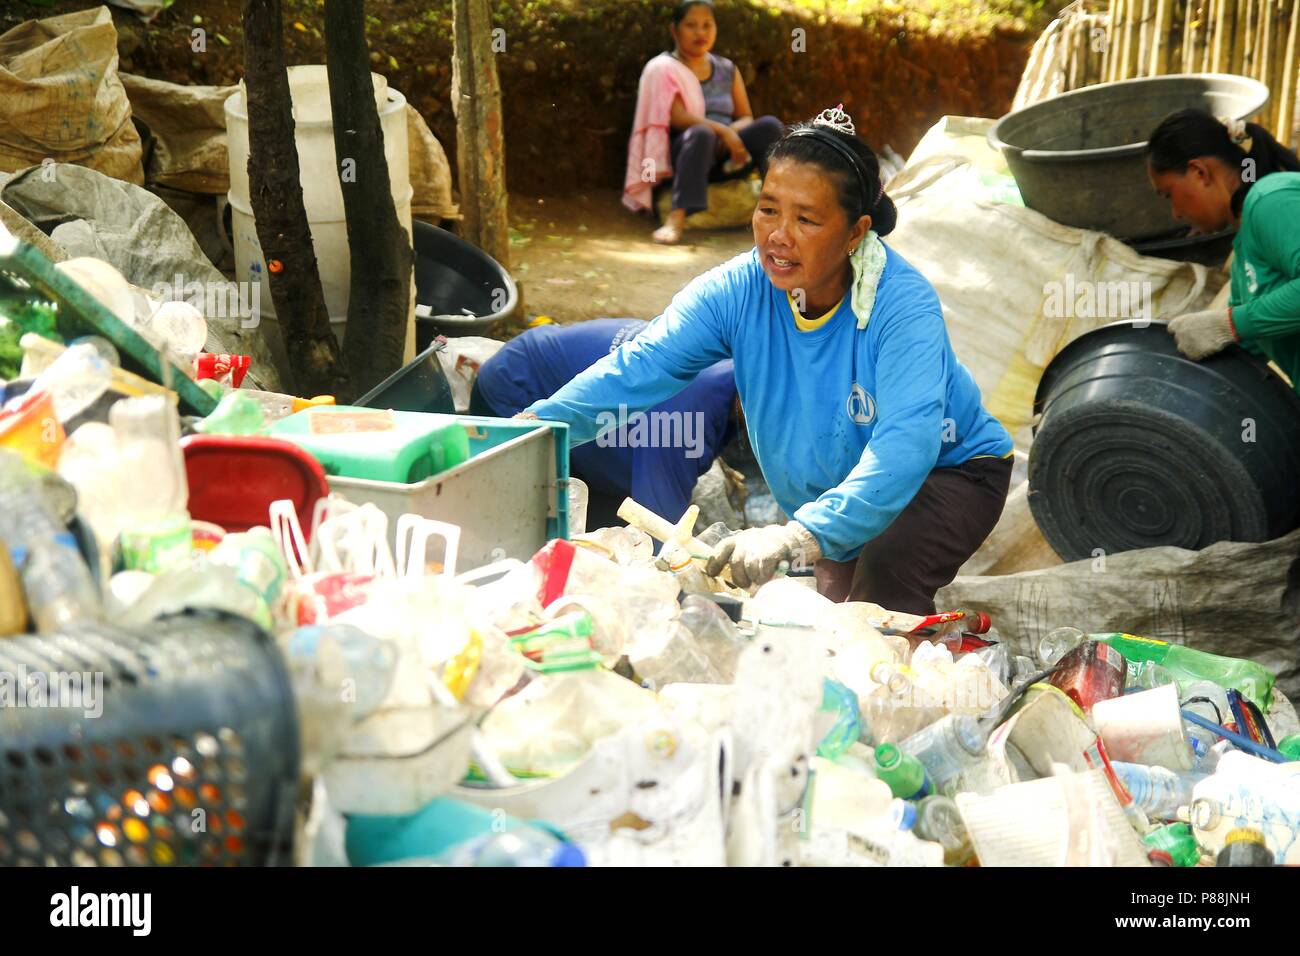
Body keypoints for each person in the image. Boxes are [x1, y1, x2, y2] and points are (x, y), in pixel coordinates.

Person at [526, 106, 1014, 614]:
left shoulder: (901, 306)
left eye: (806, 219)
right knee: (831, 625)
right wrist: (534, 428)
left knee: (882, 592)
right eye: (768, 209)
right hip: (841, 488)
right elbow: (642, 365)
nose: (778, 235)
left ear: (855, 232)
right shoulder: (738, 291)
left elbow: (905, 446)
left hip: (955, 469)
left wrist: (796, 536)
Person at [472, 319, 737, 530]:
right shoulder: (686, 415)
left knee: (611, 531)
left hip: (588, 416)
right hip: (518, 386)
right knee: (532, 531)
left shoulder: (731, 373)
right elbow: (659, 529)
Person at [1147, 109, 1300, 391]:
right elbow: (1246, 345)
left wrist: (1230, 324)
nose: (1176, 213)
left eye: (1170, 195)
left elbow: (1237, 325)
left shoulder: (1270, 200)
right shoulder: (1243, 261)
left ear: (1199, 172)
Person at [621, 0, 785, 245]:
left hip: (727, 156)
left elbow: (745, 116)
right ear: (674, 30)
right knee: (701, 134)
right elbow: (676, 117)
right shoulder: (663, 68)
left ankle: (779, 210)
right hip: (685, 155)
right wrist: (722, 132)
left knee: (770, 126)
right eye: (692, 25)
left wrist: (730, 135)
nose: (701, 32)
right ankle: (676, 219)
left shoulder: (727, 69)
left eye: (707, 25)